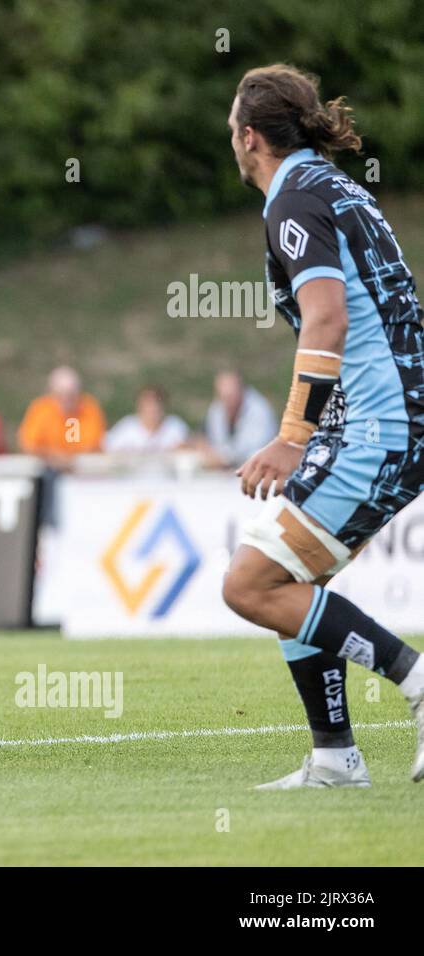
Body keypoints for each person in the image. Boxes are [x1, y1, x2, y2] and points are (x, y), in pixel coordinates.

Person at [220, 64, 424, 788]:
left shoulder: (294, 199)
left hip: (378, 421)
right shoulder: (333, 186)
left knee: (249, 586)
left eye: (231, 128)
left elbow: (328, 317)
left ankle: (415, 679)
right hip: (387, 413)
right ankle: (335, 756)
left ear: (250, 136)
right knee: (288, 578)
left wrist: (292, 435)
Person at [17, 365, 106, 467]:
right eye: (61, 395)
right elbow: (29, 443)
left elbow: (94, 443)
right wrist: (53, 455)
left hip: (82, 469)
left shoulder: (89, 409)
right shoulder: (41, 409)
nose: (66, 400)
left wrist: (69, 457)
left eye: (71, 395)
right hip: (48, 468)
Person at [201, 370, 277, 468]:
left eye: (231, 396)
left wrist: (223, 457)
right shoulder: (217, 408)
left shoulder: (259, 410)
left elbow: (256, 449)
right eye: (223, 396)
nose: (228, 401)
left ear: (241, 390)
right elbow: (214, 441)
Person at [103, 385, 190, 453]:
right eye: (148, 405)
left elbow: (187, 450)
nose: (152, 409)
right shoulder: (127, 426)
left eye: (156, 405)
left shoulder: (175, 425)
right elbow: (108, 450)